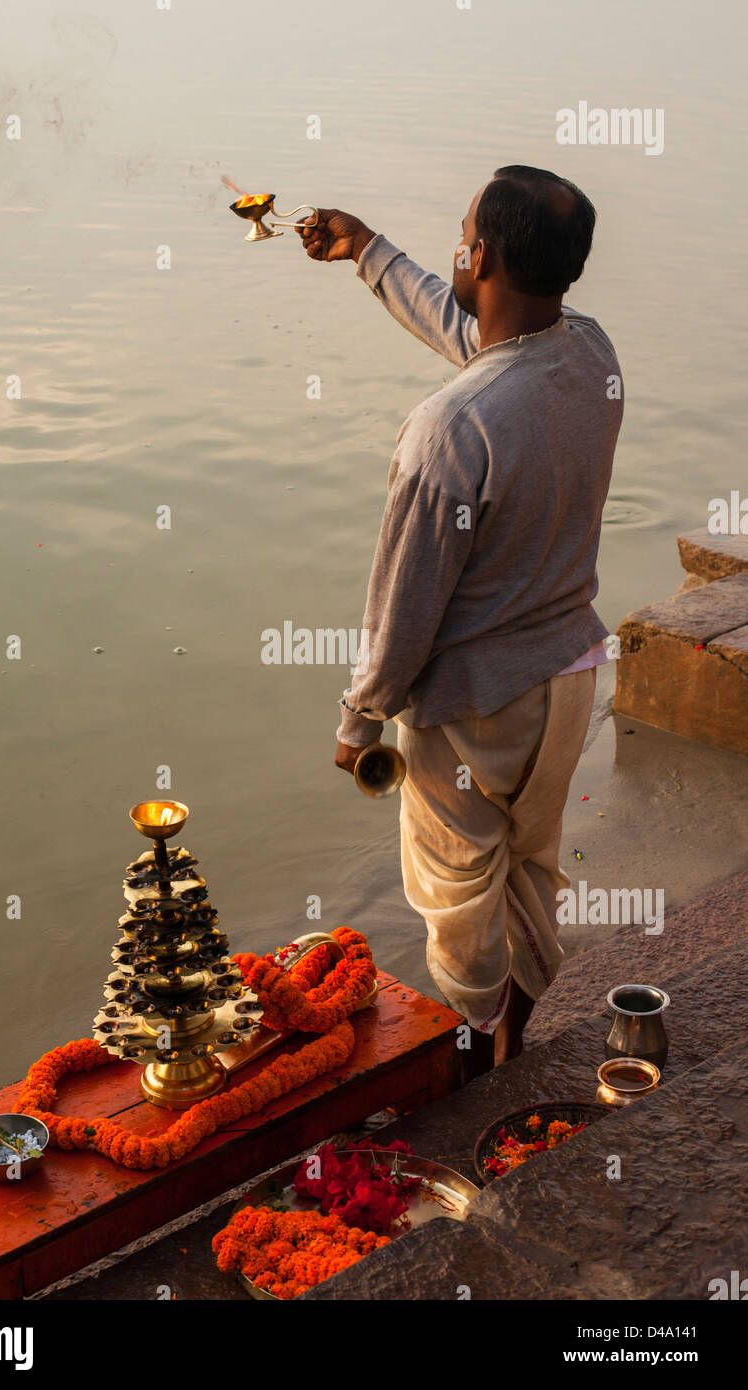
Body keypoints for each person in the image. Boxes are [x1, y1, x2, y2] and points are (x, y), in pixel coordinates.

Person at [298, 166, 623, 1083]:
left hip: (477, 710)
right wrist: (367, 251)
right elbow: (480, 340)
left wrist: (359, 721)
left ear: (478, 254)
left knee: (458, 897)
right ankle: (522, 1036)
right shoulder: (592, 356)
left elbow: (403, 606)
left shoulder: (448, 428)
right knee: (529, 868)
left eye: (465, 232)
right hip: (568, 678)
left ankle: (475, 1064)